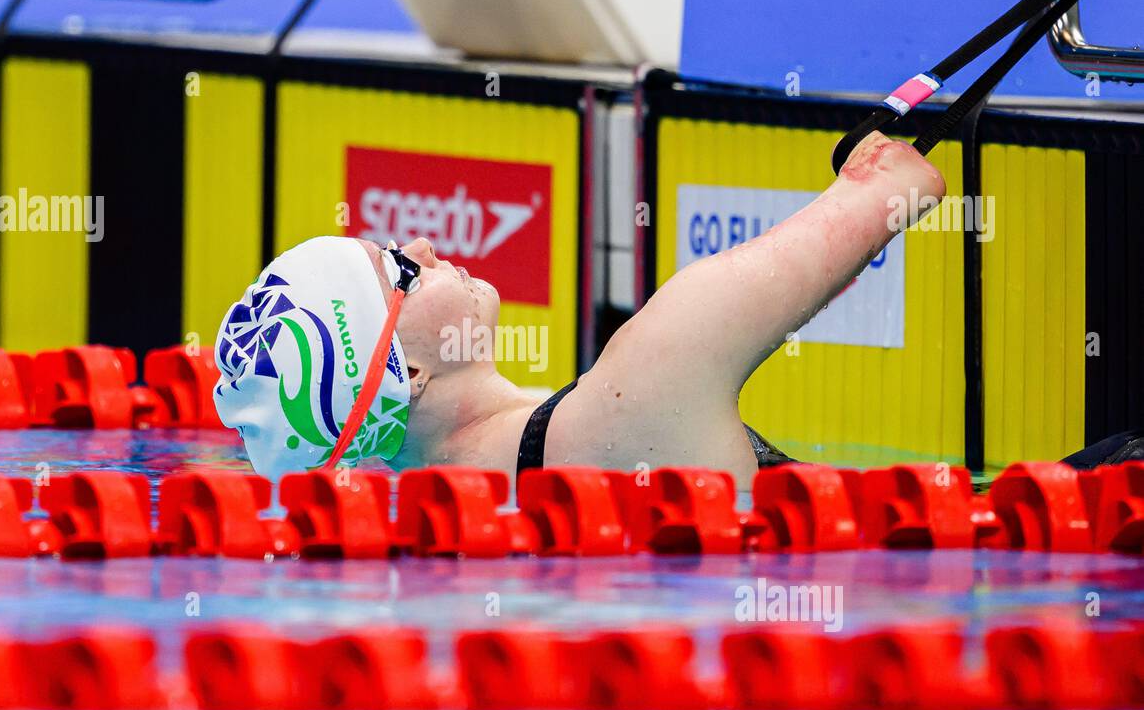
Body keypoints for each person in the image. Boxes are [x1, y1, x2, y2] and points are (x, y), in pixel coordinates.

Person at [214, 131, 1141, 483]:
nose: (419, 245)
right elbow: (899, 191)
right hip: (1068, 532)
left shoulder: (433, 521)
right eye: (395, 271)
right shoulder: (640, 386)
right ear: (404, 373)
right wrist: (878, 168)